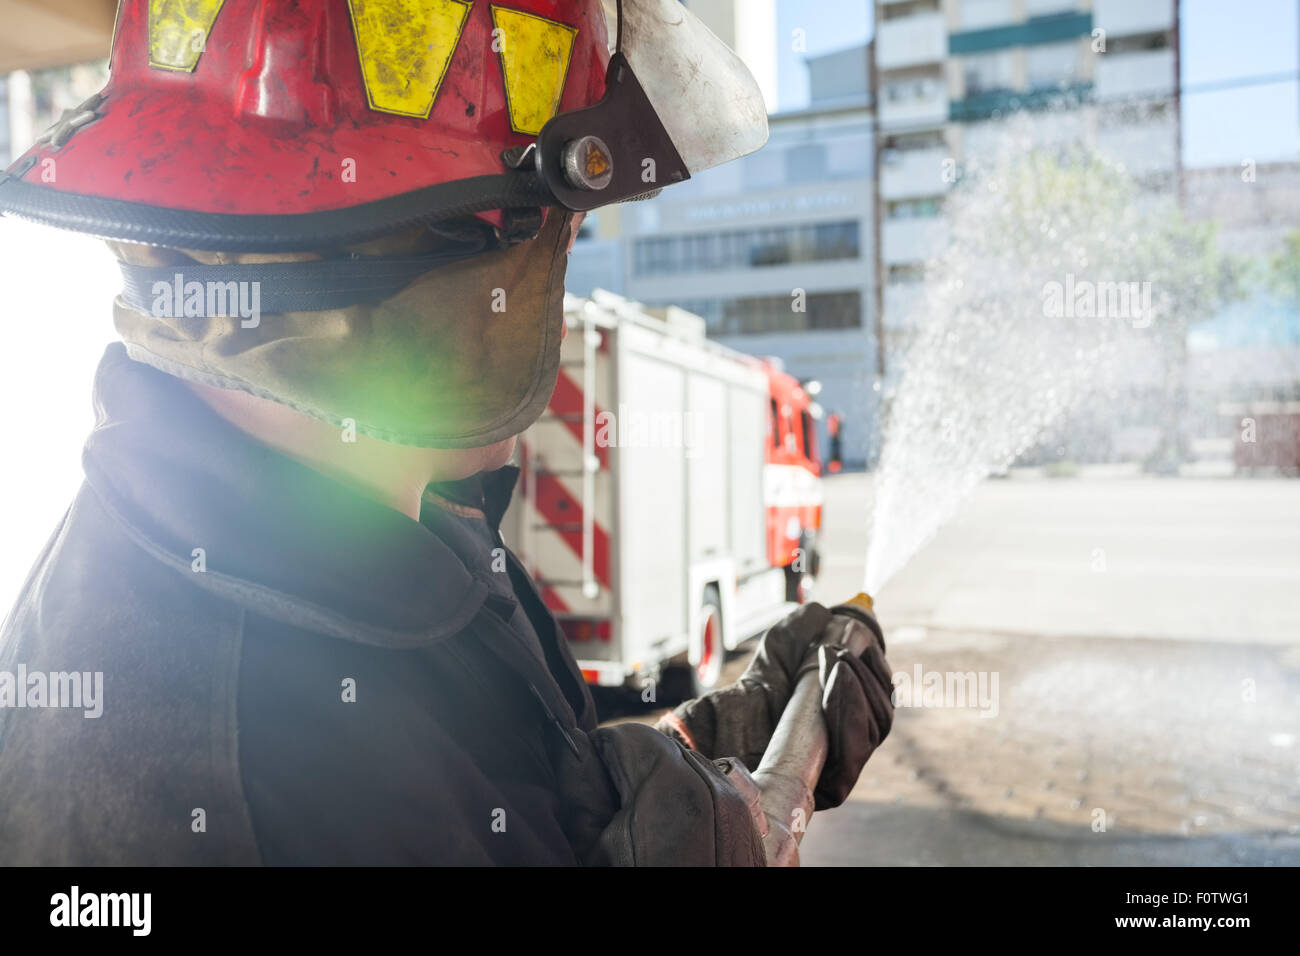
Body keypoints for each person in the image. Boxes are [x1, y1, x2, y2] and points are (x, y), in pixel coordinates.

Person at [0, 0, 893, 866]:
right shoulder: (245, 767)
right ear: (447, 260)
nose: (551, 300)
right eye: (560, 245)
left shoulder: (357, 551)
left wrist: (737, 729)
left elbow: (502, 781)